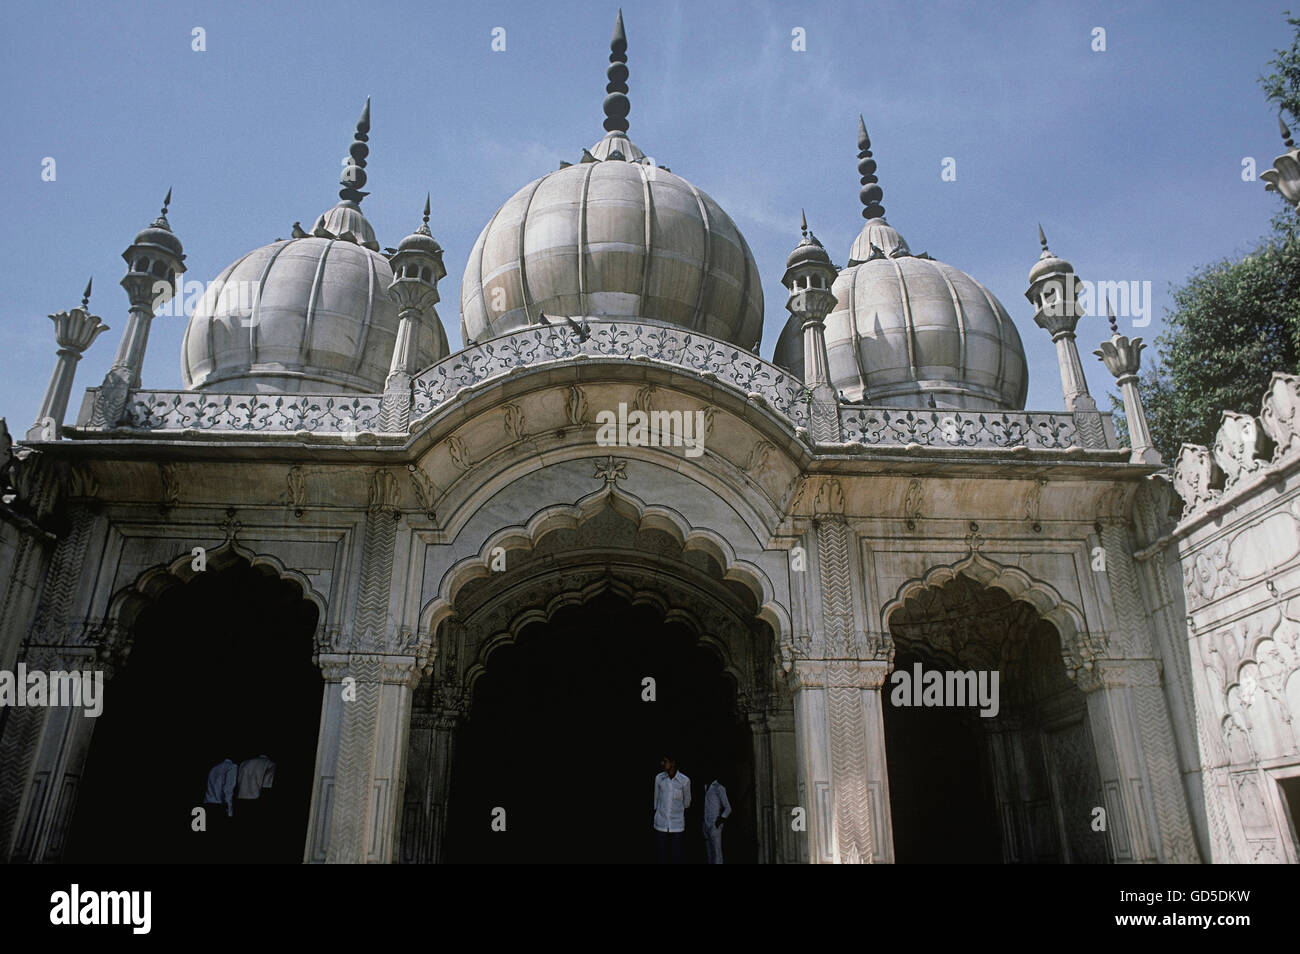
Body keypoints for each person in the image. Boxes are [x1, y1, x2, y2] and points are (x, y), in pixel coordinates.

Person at [652, 754, 690, 864]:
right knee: (661, 854)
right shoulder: (659, 778)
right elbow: (656, 799)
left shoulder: (684, 781)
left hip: (677, 824)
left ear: (673, 763)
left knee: (676, 855)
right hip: (661, 822)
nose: (662, 764)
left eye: (665, 761)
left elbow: (687, 803)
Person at [701, 776, 731, 864]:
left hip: (715, 823)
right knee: (709, 852)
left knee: (717, 852)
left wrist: (719, 821)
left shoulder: (719, 788)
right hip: (706, 823)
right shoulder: (705, 787)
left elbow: (728, 808)